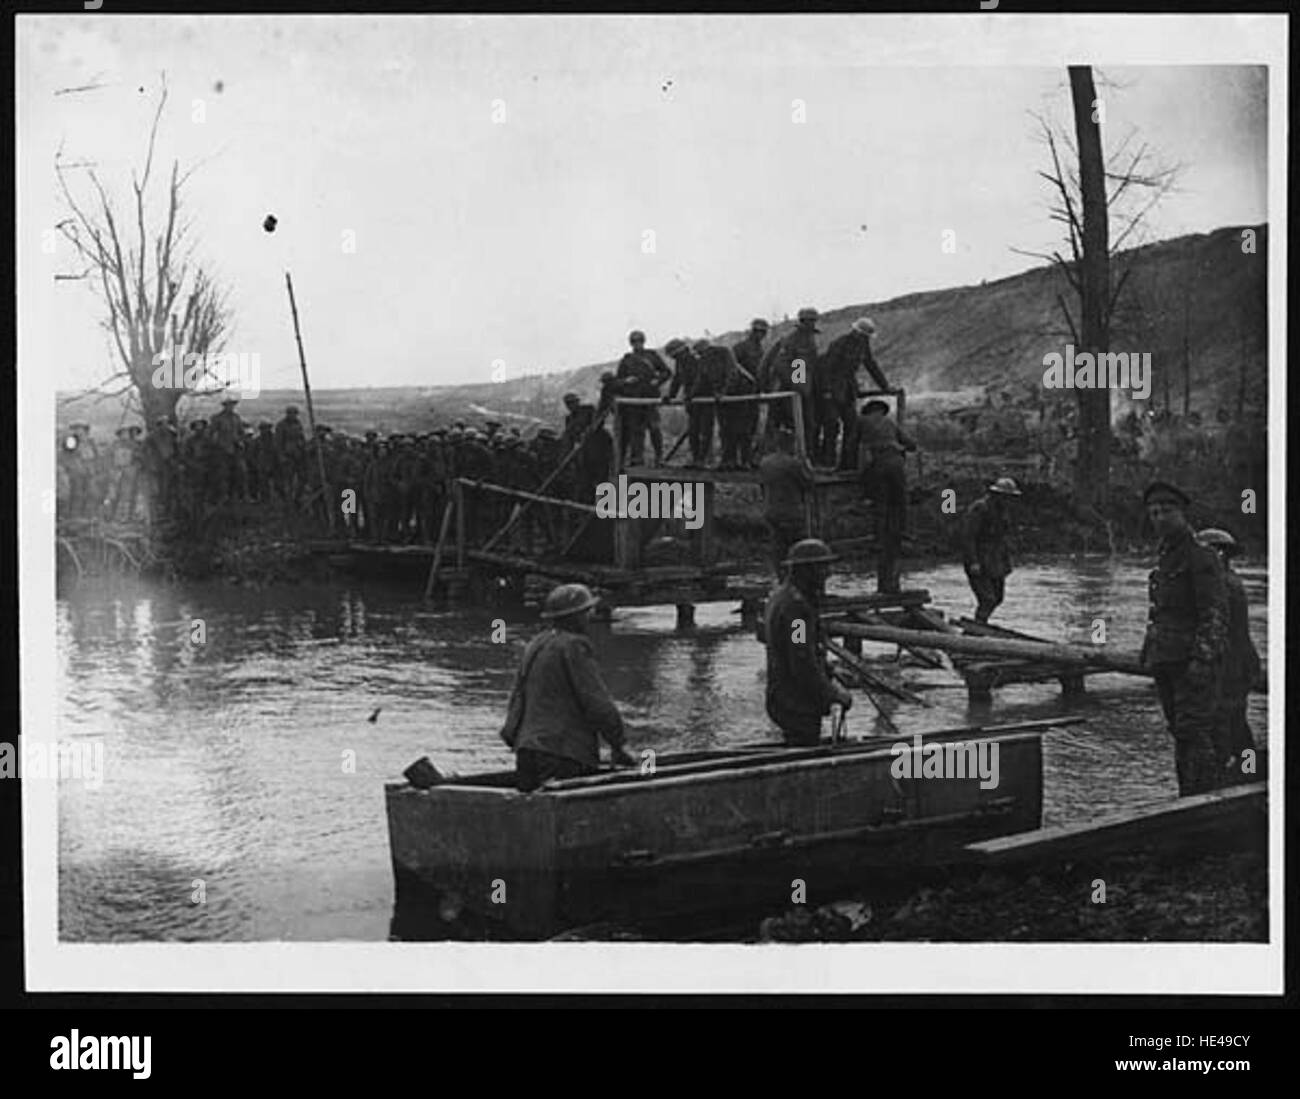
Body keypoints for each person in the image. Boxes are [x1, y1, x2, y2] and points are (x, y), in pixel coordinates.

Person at [498, 583, 636, 791]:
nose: (590, 616)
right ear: (577, 616)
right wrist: (619, 745)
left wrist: (513, 737)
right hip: (562, 752)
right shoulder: (575, 646)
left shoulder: (535, 643)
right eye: (586, 611)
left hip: (527, 750)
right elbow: (596, 702)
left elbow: (517, 696)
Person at [1140, 482, 1228, 797]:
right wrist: (1148, 652)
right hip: (1166, 658)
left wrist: (1202, 661)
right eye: (1154, 513)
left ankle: (1204, 800)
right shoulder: (1165, 555)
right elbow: (1159, 611)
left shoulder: (1200, 556)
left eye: (1166, 511)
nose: (1160, 518)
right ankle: (1187, 795)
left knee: (1193, 730)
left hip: (1191, 662)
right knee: (1179, 730)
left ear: (1182, 513)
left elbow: (1214, 613)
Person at [763, 539, 853, 746]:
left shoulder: (780, 597)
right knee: (804, 748)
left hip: (784, 697)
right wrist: (834, 694)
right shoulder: (796, 611)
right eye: (822, 567)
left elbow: (800, 650)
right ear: (806, 571)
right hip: (795, 701)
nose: (828, 574)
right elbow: (801, 662)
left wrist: (830, 670)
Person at [1196, 527, 1261, 776]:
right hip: (1237, 660)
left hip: (1231, 663)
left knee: (1226, 720)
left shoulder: (1223, 583)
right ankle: (1248, 769)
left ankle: (1240, 772)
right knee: (1234, 720)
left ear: (1220, 554)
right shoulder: (1229, 578)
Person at [857, 399, 917, 593]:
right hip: (896, 463)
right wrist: (909, 446)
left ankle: (878, 539)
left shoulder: (862, 421)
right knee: (901, 501)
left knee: (880, 504)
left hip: (878, 463)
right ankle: (904, 534)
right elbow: (909, 443)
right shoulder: (890, 422)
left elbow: (851, 443)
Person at [817, 317, 888, 469]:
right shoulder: (840, 343)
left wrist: (884, 386)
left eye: (866, 337)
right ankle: (827, 463)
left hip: (848, 389)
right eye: (863, 336)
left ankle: (848, 465)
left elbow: (871, 365)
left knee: (852, 425)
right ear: (856, 332)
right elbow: (826, 369)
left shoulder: (863, 346)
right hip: (832, 389)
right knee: (831, 426)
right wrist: (827, 391)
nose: (865, 339)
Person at [961, 477, 1022, 623]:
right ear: (997, 495)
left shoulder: (1004, 512)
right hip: (979, 560)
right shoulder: (980, 508)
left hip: (995, 561)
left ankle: (981, 624)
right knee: (988, 598)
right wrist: (973, 561)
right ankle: (977, 627)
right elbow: (968, 537)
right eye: (1006, 497)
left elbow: (1003, 537)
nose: (1009, 501)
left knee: (998, 597)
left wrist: (1007, 560)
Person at [759, 427, 813, 577]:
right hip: (791, 512)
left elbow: (762, 486)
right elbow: (808, 484)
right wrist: (808, 467)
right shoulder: (793, 464)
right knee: (797, 547)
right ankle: (797, 577)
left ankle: (780, 576)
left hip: (771, 510)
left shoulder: (765, 462)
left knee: (778, 547)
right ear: (791, 444)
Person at [616, 330, 671, 466]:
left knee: (654, 429)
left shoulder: (651, 356)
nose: (637, 344)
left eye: (639, 341)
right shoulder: (626, 360)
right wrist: (626, 381)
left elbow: (666, 372)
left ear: (643, 341)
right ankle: (637, 459)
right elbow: (618, 381)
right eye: (634, 341)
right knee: (636, 431)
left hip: (650, 398)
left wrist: (657, 382)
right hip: (634, 400)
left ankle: (659, 458)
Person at [729, 318, 769, 467]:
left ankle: (747, 459)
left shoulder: (760, 349)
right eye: (758, 331)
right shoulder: (740, 347)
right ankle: (737, 460)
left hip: (753, 394)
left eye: (763, 332)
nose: (760, 335)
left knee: (751, 427)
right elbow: (732, 367)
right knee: (740, 428)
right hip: (740, 394)